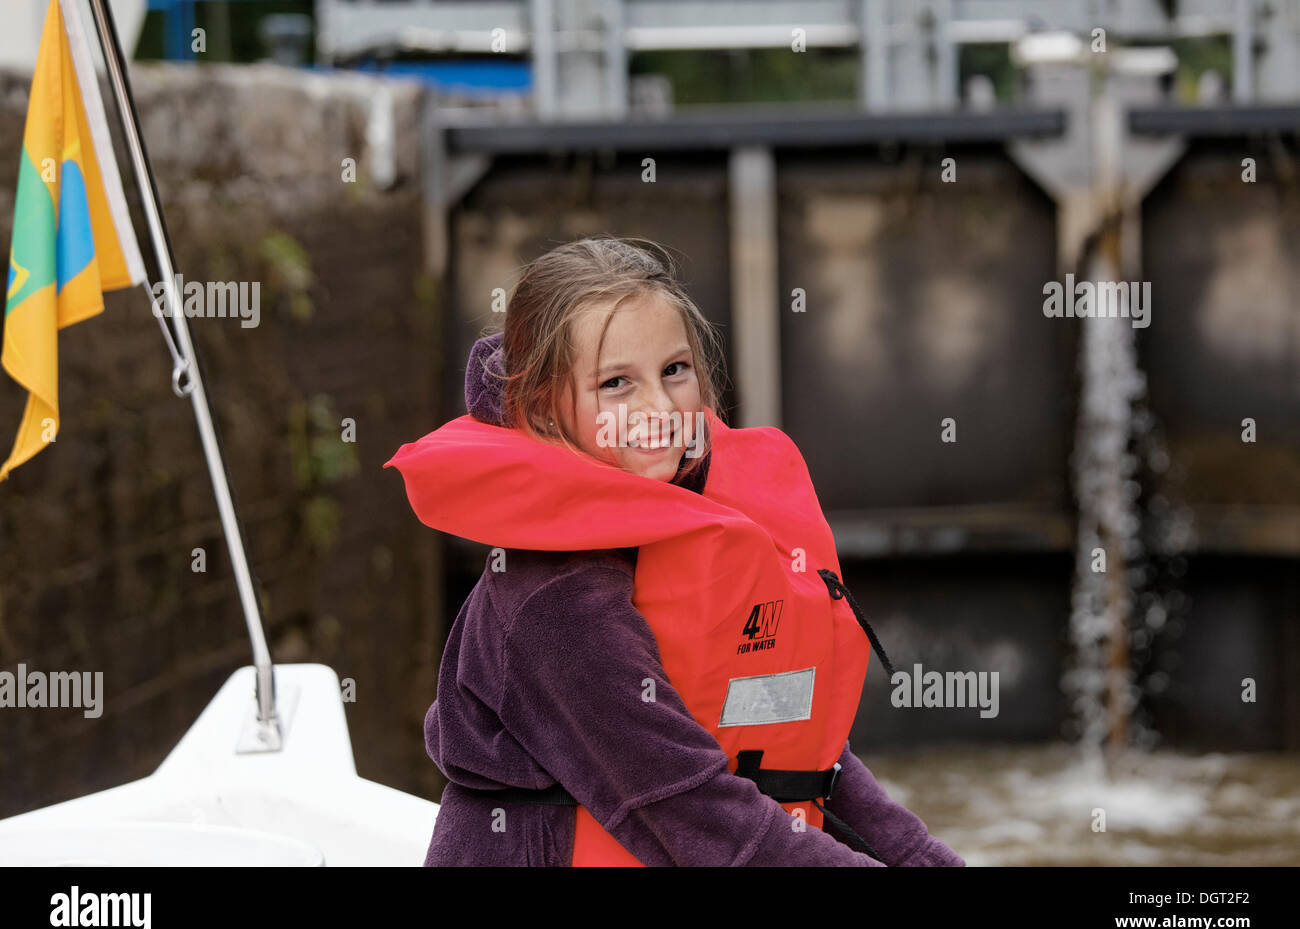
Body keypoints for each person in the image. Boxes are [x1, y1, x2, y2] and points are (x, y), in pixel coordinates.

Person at [385, 236, 965, 867]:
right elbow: (695, 813)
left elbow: (810, 760)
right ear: (540, 404)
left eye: (674, 370)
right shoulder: (557, 605)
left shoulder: (704, 535)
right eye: (616, 384)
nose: (659, 409)